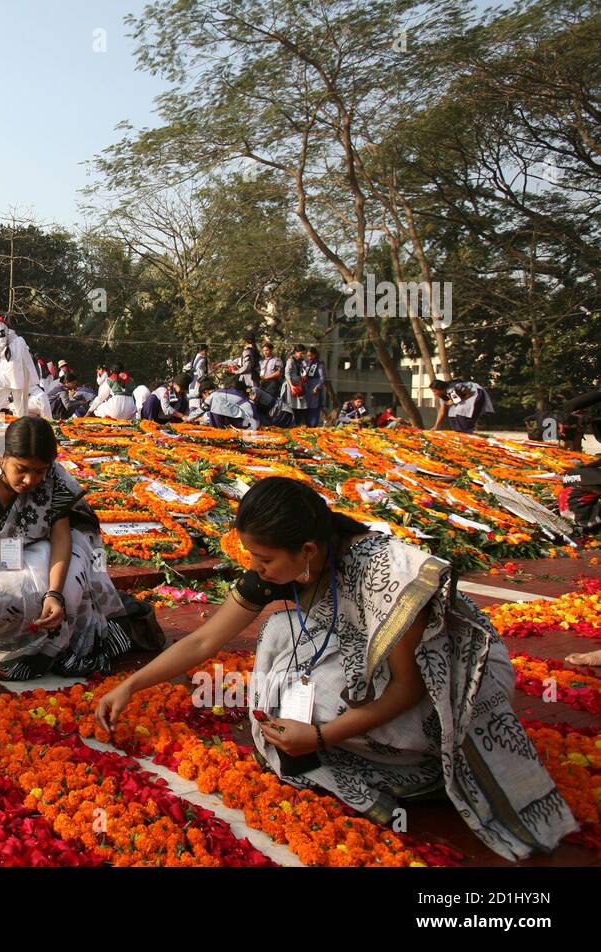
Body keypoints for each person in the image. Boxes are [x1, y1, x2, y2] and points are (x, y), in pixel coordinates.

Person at [95, 477, 576, 861]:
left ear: (306, 550)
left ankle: (418, 768)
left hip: (446, 686)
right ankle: (344, 740)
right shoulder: (288, 569)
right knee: (278, 639)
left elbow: (410, 688)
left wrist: (319, 739)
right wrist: (130, 686)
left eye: (264, 559)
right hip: (372, 672)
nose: (257, 569)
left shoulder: (385, 574)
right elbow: (203, 638)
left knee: (312, 702)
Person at [0, 417, 132, 680]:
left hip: (30, 547)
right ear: (3, 456)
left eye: (39, 471)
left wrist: (54, 594)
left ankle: (52, 646)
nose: (30, 480)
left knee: (68, 586)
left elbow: (61, 538)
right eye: (21, 469)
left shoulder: (53, 479)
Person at [0, 314, 40, 417]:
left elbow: (1, 345)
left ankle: (23, 427)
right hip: (5, 362)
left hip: (16, 358)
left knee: (20, 399)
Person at [188, 377, 258, 430]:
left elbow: (201, 410)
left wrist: (187, 420)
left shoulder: (215, 396)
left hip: (247, 422)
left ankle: (218, 432)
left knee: (215, 407)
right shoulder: (221, 393)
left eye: (203, 396)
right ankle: (220, 430)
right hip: (250, 420)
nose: (204, 399)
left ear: (205, 392)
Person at [281, 344, 309, 421]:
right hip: (291, 386)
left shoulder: (302, 361)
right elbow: (287, 374)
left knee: (300, 406)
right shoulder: (290, 360)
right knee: (290, 405)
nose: (302, 355)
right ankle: (288, 422)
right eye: (301, 353)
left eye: (303, 353)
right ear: (296, 352)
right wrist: (291, 386)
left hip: (299, 385)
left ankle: (298, 422)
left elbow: (305, 371)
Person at [302, 346, 325, 426]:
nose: (309, 357)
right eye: (307, 355)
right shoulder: (305, 363)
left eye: (311, 355)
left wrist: (317, 387)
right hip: (306, 387)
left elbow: (322, 378)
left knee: (314, 408)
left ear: (315, 355)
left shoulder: (319, 364)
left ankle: (313, 425)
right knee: (305, 407)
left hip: (314, 387)